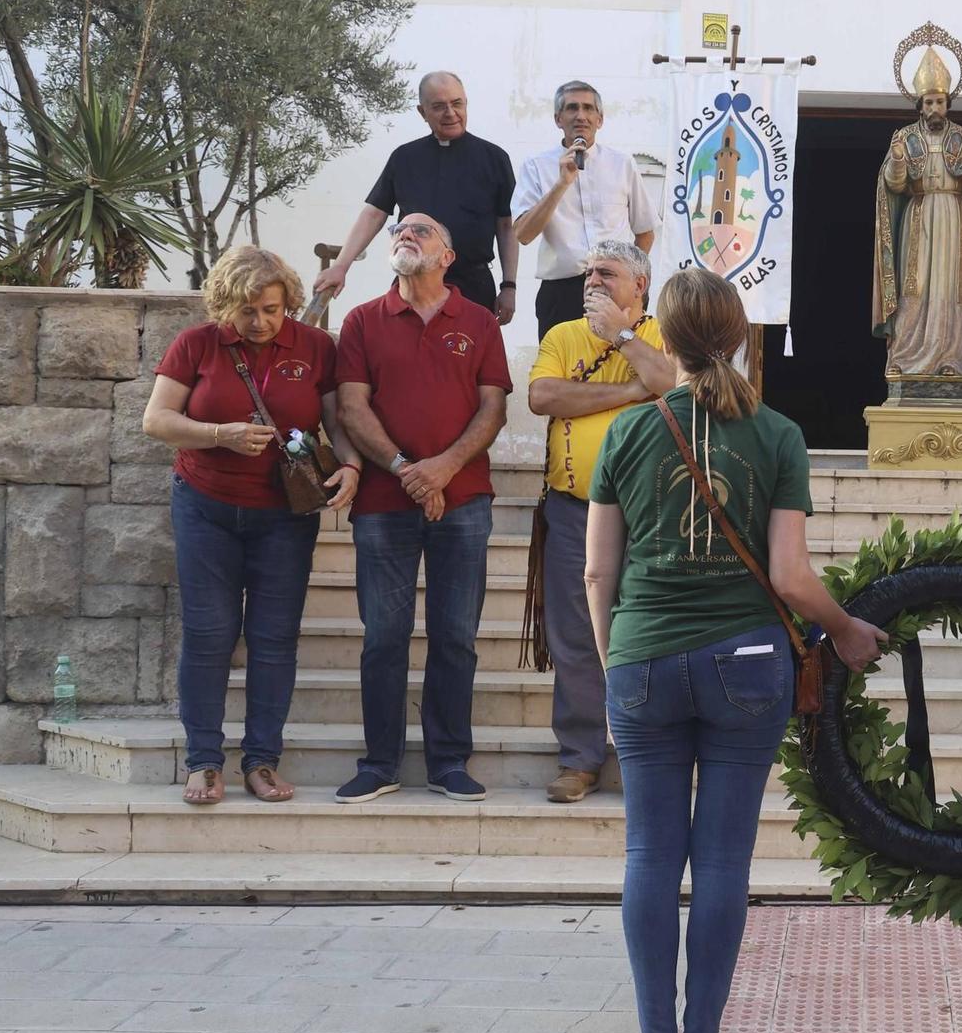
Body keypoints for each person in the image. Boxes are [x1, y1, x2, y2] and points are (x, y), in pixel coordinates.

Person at [588, 267, 883, 1033]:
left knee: (649, 851)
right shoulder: (780, 434)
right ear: (742, 334)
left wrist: (616, 673)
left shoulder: (628, 432)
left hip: (642, 655)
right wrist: (848, 627)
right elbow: (790, 574)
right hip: (747, 664)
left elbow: (593, 573)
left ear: (663, 339)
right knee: (721, 855)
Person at [144, 247, 361, 806]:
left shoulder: (316, 347)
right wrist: (221, 434)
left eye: (271, 308)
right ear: (225, 305)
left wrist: (353, 467)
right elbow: (157, 420)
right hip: (205, 506)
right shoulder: (197, 344)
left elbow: (336, 421)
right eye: (247, 311)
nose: (261, 321)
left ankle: (262, 760)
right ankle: (204, 762)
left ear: (288, 300)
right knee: (210, 633)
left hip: (284, 516)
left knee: (273, 638)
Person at [333, 212, 512, 804]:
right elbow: (352, 410)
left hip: (463, 500)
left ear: (447, 256)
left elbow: (492, 411)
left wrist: (444, 468)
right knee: (384, 636)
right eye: (398, 230)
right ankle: (379, 762)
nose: (404, 233)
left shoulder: (481, 322)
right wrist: (408, 470)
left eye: (422, 230)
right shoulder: (362, 321)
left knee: (455, 635)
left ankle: (449, 761)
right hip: (384, 502)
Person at [526, 242, 673, 802]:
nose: (592, 281)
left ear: (640, 285)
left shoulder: (665, 331)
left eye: (606, 273)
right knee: (575, 637)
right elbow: (543, 395)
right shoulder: (562, 337)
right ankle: (580, 759)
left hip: (651, 513)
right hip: (572, 512)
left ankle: (652, 755)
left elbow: (672, 382)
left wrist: (623, 338)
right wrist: (630, 391)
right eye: (588, 272)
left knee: (653, 630)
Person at [313, 72, 521, 325]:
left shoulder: (494, 158)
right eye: (438, 106)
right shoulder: (404, 158)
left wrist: (509, 286)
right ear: (422, 112)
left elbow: (506, 226)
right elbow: (374, 214)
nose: (450, 113)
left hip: (473, 285)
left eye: (457, 104)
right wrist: (341, 266)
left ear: (466, 103)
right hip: (412, 281)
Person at [872, 45, 962, 376]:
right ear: (920, 106)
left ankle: (951, 360)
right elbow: (894, 186)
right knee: (916, 287)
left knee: (951, 290)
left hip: (953, 217)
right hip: (919, 216)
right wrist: (896, 159)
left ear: (947, 104)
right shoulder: (905, 138)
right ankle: (904, 360)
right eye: (928, 102)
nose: (934, 108)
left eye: (939, 101)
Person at [512, 82, 659, 338]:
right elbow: (523, 234)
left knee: (621, 366)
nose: (581, 115)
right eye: (572, 108)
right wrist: (561, 183)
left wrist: (632, 280)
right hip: (562, 292)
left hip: (616, 288)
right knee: (561, 369)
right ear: (558, 118)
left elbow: (645, 230)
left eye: (588, 108)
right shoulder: (536, 166)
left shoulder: (622, 164)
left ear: (600, 119)